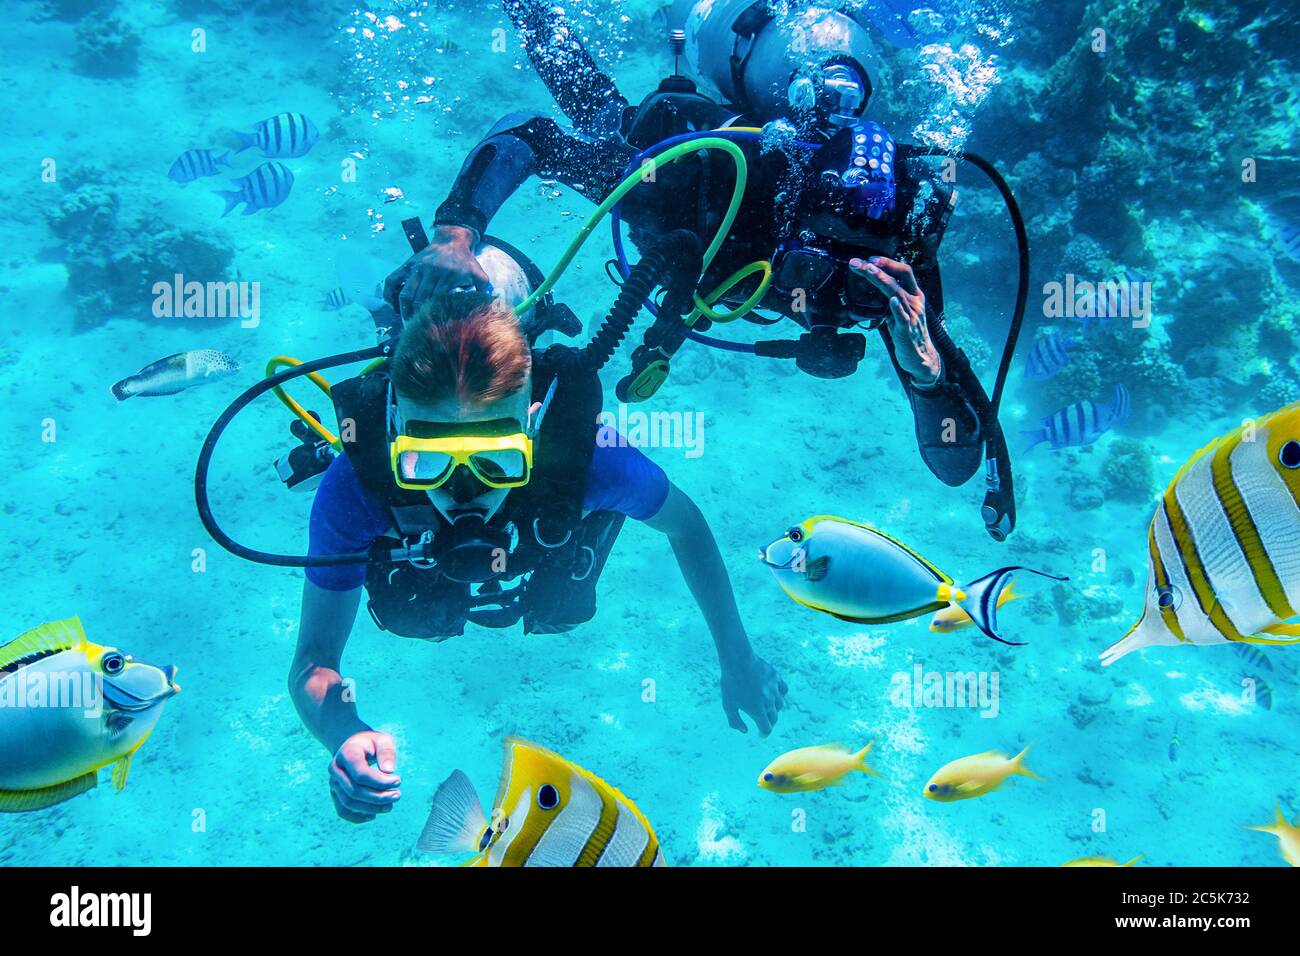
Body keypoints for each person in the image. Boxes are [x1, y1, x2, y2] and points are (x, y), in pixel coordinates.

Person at [384, 0, 996, 496]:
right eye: (812, 266)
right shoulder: (692, 188)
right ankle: (535, 11)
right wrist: (456, 236)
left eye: (852, 278)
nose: (827, 296)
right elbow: (531, 133)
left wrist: (927, 377)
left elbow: (957, 465)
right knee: (602, 115)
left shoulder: (893, 258)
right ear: (783, 227)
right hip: (686, 158)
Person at [289, 291, 787, 823]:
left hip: (548, 516)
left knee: (563, 605)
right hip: (414, 538)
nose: (465, 495)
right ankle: (400, 316)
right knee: (414, 614)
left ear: (532, 425)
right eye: (426, 464)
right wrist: (343, 732)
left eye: (497, 462)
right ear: (393, 431)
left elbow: (686, 528)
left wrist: (737, 658)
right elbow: (314, 657)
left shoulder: (592, 461)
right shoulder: (355, 488)